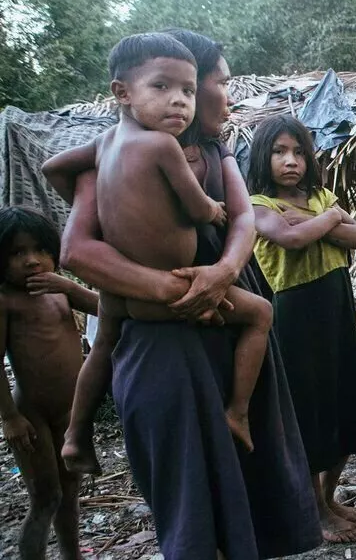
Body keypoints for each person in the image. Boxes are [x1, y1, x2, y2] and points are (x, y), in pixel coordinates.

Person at [54, 29, 321, 559]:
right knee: (192, 505)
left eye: (200, 87)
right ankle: (76, 434)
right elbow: (77, 251)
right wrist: (174, 290)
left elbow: (242, 217)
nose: (226, 94)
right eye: (221, 81)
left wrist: (222, 271)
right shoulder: (113, 155)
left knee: (250, 490)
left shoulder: (213, 152)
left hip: (223, 319)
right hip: (166, 341)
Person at [43, 33, 272, 455]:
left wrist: (116, 206)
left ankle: (76, 435)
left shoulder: (106, 148)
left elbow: (52, 166)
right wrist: (210, 212)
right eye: (220, 83)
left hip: (124, 297)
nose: (179, 100)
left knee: (102, 348)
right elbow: (200, 209)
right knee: (260, 315)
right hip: (175, 293)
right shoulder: (162, 147)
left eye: (186, 90)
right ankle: (237, 411)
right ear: (123, 92)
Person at [248, 114, 356, 544]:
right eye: (279, 152)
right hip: (295, 318)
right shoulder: (258, 205)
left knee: (344, 402)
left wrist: (312, 219)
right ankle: (313, 511)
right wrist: (330, 220)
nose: (291, 161)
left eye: (299, 152)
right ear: (262, 158)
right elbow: (290, 240)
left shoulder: (321, 195)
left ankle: (328, 496)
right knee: (308, 411)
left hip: (336, 310)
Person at [0, 206, 98, 560]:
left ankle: (73, 556)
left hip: (69, 411)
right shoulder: (6, 301)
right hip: (32, 415)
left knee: (70, 492)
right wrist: (10, 417)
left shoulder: (59, 291)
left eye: (40, 250)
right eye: (17, 253)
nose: (31, 261)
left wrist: (68, 285)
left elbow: (106, 308)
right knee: (45, 496)